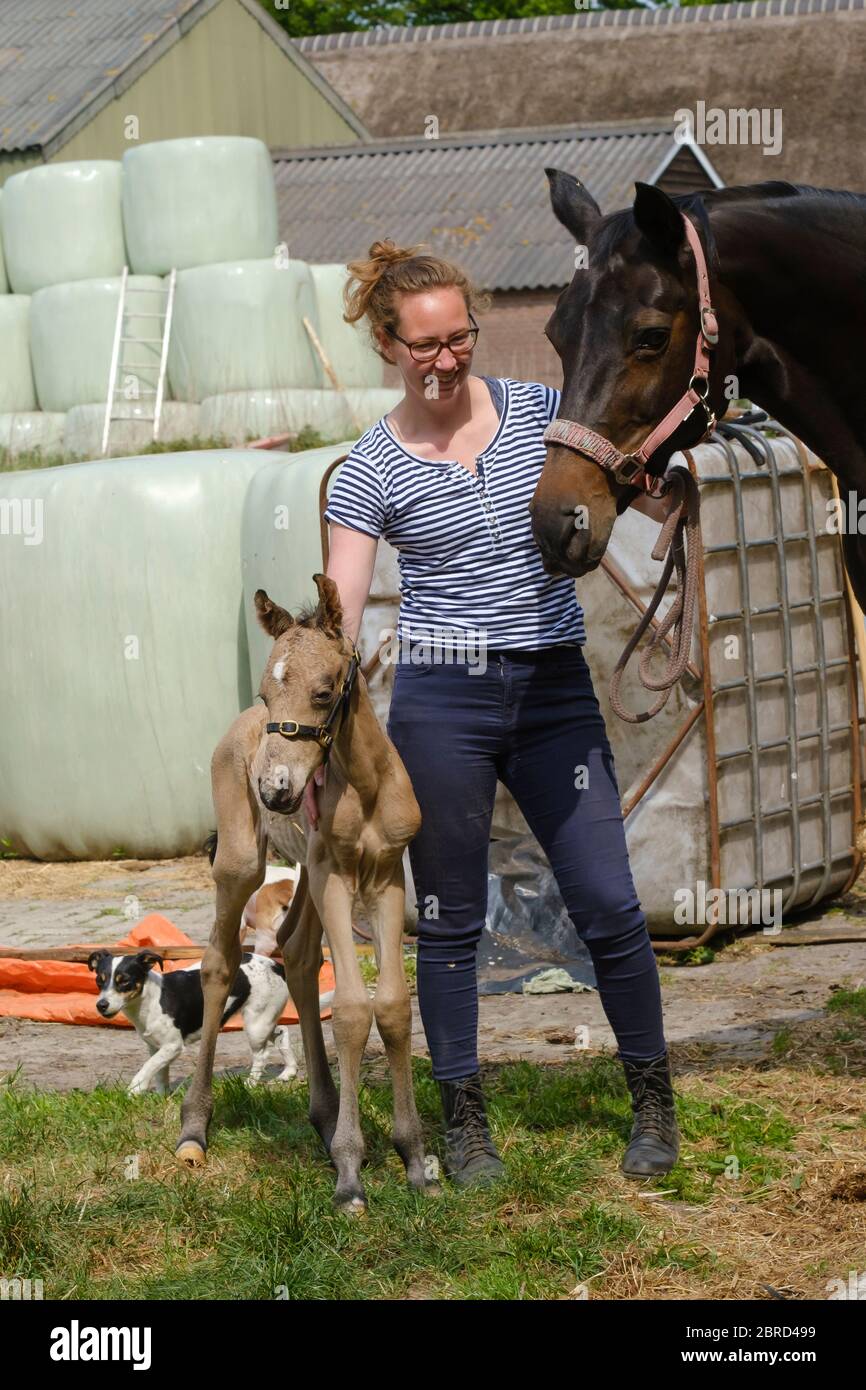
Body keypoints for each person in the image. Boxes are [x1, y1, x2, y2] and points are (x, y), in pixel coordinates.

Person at [306, 237, 680, 1189]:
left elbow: (624, 484)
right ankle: (466, 1128)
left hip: (553, 689)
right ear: (388, 344)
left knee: (606, 902)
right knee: (451, 917)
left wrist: (666, 487)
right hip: (443, 705)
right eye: (425, 345)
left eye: (460, 338)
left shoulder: (544, 415)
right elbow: (338, 617)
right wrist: (311, 736)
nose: (446, 360)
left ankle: (654, 1108)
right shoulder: (367, 471)